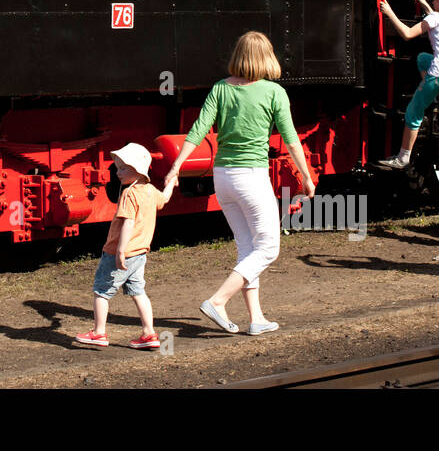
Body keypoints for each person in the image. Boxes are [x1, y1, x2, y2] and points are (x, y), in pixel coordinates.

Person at [164, 32, 316, 335]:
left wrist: (176, 167)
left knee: (248, 248)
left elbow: (197, 130)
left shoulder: (221, 88)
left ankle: (256, 318)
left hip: (223, 178)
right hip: (251, 177)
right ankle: (218, 301)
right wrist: (307, 177)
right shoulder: (274, 92)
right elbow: (290, 140)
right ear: (267, 57)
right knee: (269, 248)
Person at [74, 143, 176, 349]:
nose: (117, 172)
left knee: (101, 291)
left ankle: (98, 333)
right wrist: (171, 183)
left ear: (138, 170)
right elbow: (164, 199)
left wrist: (120, 251)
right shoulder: (149, 190)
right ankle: (149, 334)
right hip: (140, 254)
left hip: (119, 252)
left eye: (123, 168)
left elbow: (127, 222)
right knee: (138, 292)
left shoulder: (129, 194)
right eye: (118, 167)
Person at [375, 0, 439, 170]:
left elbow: (408, 34)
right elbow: (437, 20)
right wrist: (426, 5)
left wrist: (389, 12)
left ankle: (403, 157)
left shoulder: (435, 17)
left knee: (413, 111)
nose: (433, 1)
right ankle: (430, 95)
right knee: (423, 59)